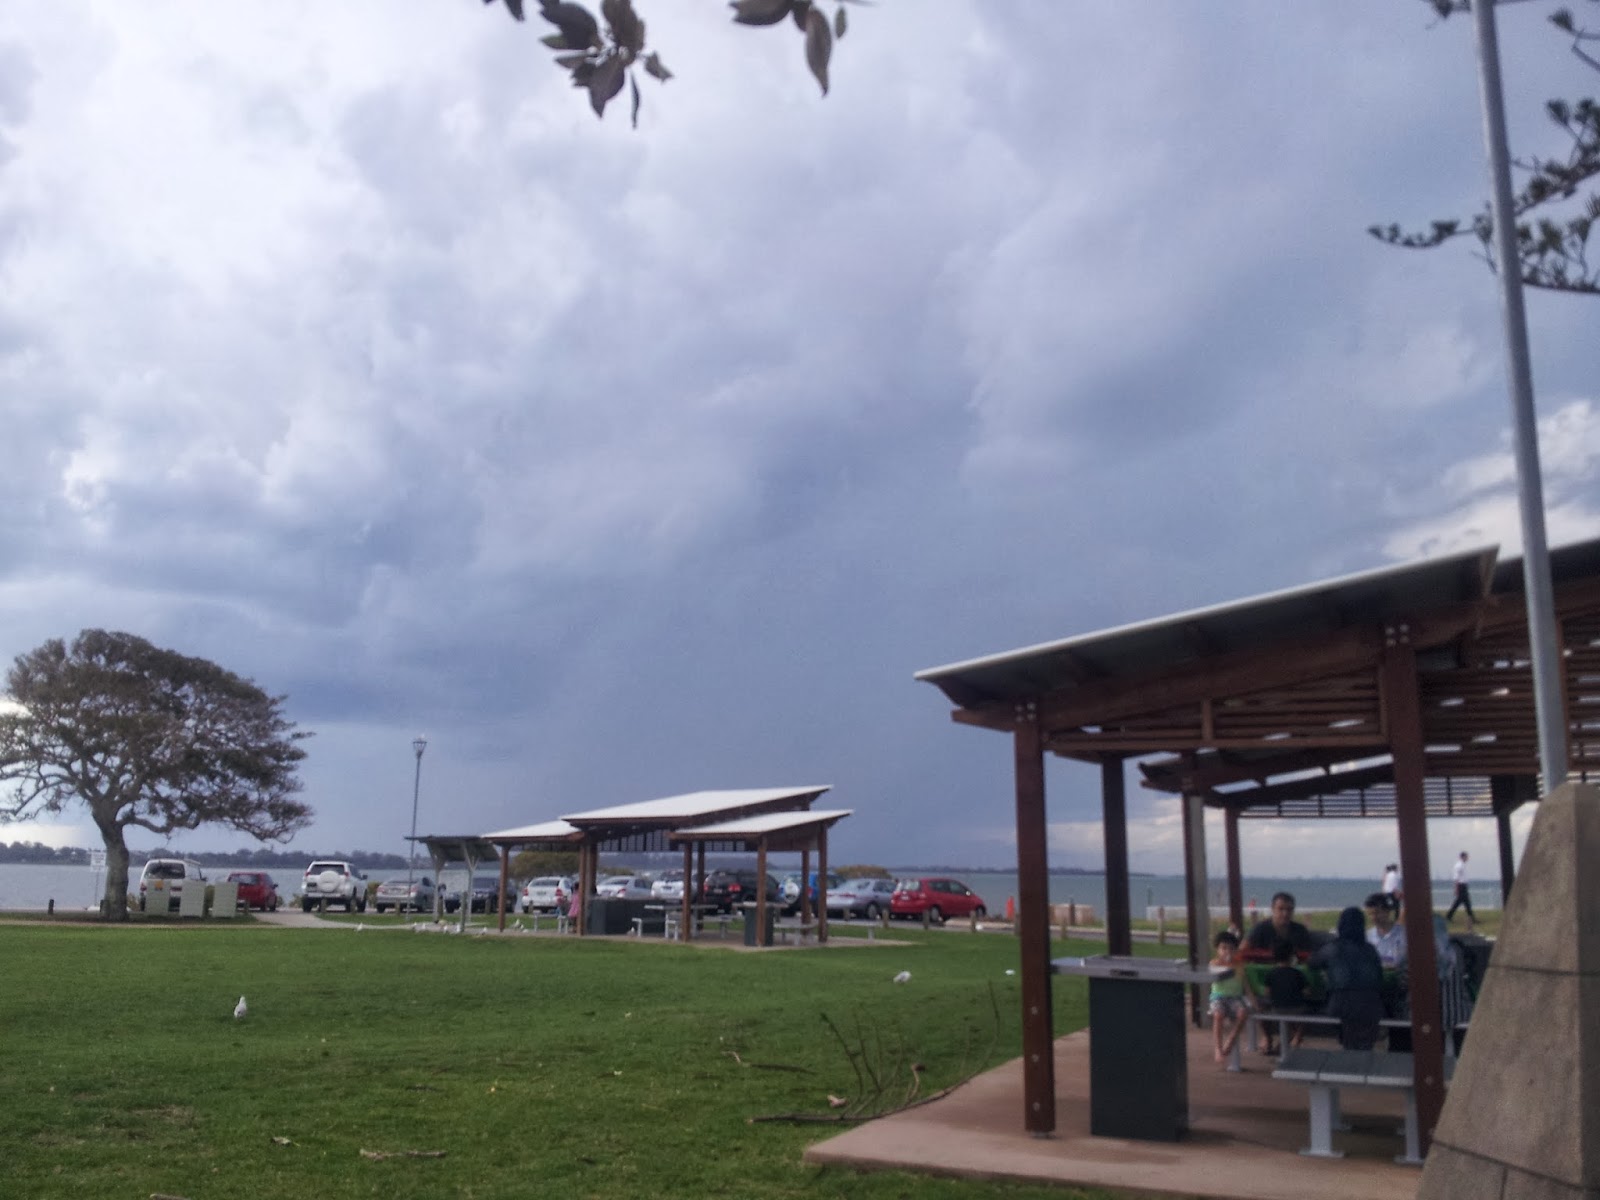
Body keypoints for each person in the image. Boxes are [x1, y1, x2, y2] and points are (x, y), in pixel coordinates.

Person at [1311, 905, 1386, 1050]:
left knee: (1348, 1036)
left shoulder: (1333, 948)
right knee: (1363, 1042)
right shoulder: (1370, 949)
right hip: (1371, 1005)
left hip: (1340, 1005)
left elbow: (1312, 963)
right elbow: (1379, 977)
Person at [1208, 930, 1257, 1064]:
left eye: (1231, 948)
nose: (1227, 951)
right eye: (1223, 948)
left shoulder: (1239, 965)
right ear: (1217, 949)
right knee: (1218, 1015)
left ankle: (1231, 1039)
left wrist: (1253, 1000)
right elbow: (1213, 975)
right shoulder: (1214, 963)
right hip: (1219, 997)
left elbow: (1246, 986)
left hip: (1235, 998)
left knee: (1243, 1013)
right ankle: (1218, 1048)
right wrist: (1223, 964)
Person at [1259, 939, 1313, 1054]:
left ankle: (1268, 1038)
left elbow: (1266, 993)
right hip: (1297, 1009)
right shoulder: (1298, 973)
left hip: (1277, 1009)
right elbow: (1307, 992)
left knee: (1262, 1013)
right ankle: (1297, 1037)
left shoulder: (1271, 974)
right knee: (1306, 1014)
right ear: (1291, 956)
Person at [1242, 891, 1315, 962]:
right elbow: (1242, 952)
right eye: (1281, 909)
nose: (1285, 913)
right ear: (1272, 909)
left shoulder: (1300, 931)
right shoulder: (1259, 929)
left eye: (1289, 909)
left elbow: (1309, 956)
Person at [1364, 891, 1407, 968]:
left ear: (1387, 911)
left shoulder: (1404, 934)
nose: (1373, 917)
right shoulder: (1368, 936)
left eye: (1377, 913)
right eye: (1370, 914)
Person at [1446, 850, 1476, 931]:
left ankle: (1471, 918)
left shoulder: (1463, 865)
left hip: (1464, 885)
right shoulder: (1458, 866)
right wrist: (1456, 888)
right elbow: (1456, 878)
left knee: (1466, 902)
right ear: (1463, 857)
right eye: (1466, 856)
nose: (1467, 858)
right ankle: (1449, 916)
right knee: (1459, 902)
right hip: (1461, 886)